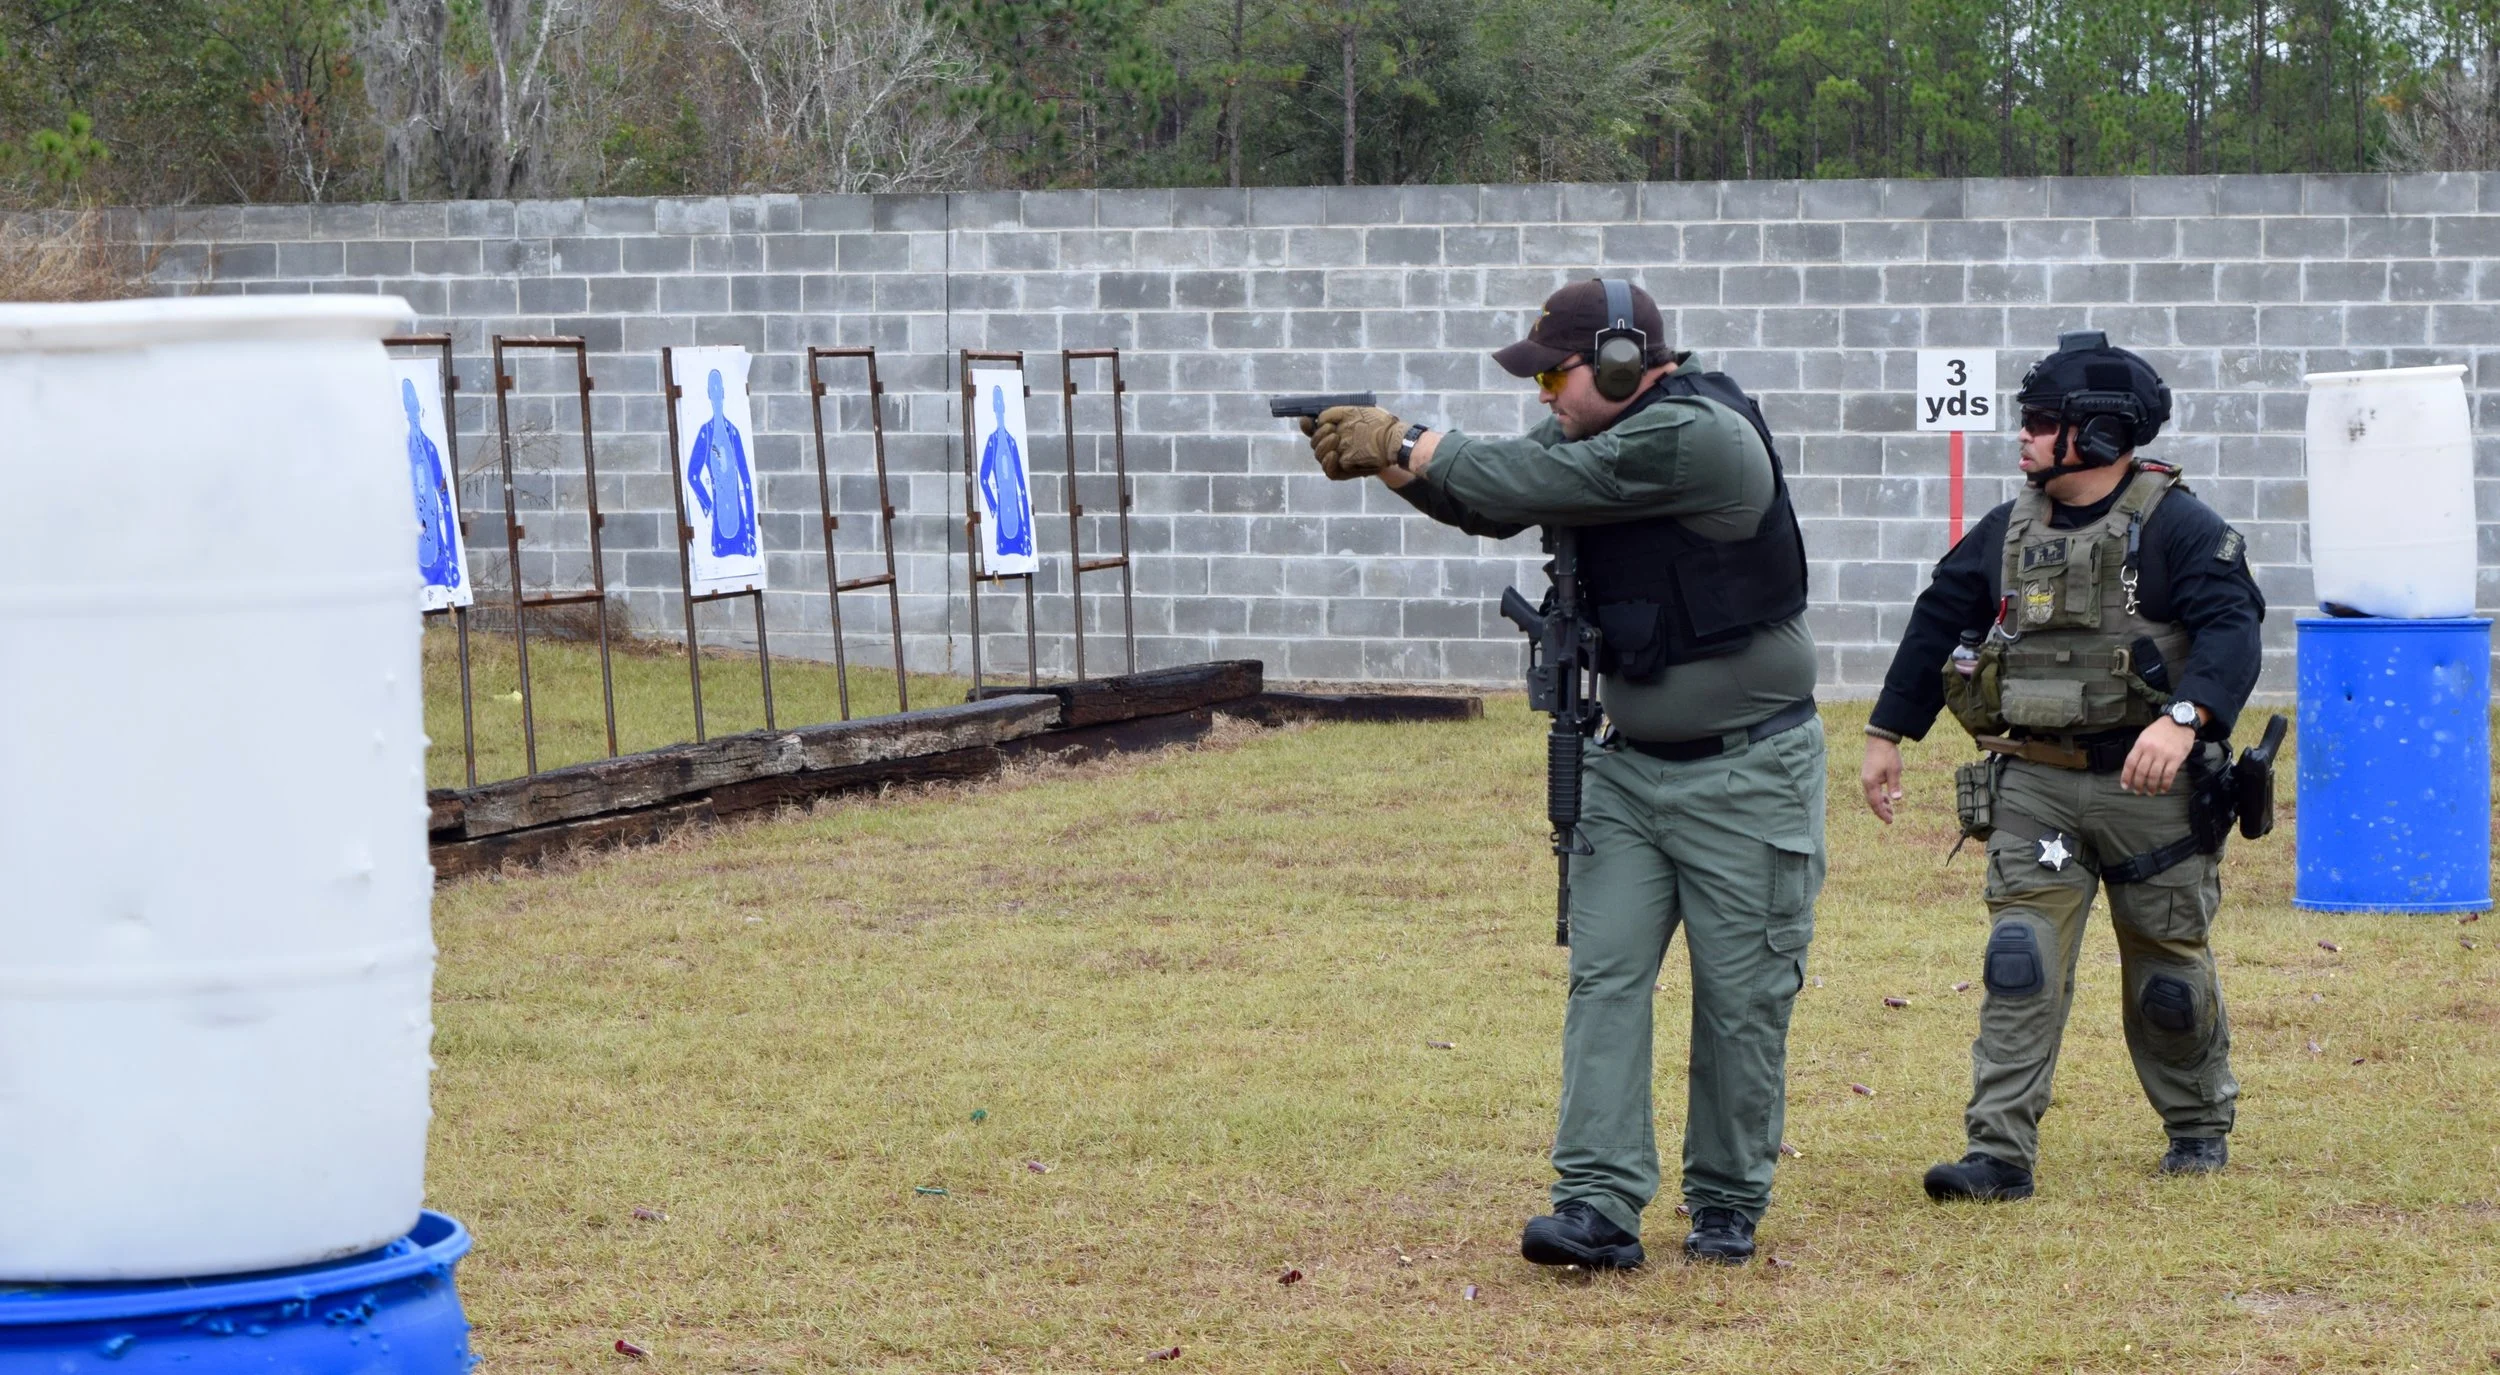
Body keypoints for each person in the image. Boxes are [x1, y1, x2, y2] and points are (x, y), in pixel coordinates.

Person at [1302, 278, 1824, 1267]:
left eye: (1555, 370)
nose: (1543, 392)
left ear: (1625, 362)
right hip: (1627, 769)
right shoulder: (1590, 438)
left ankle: (1724, 1198)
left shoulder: (1697, 435)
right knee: (1605, 978)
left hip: (1746, 773)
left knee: (1742, 996)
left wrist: (1403, 438)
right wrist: (1402, 470)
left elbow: (1518, 477)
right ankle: (1596, 1200)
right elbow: (1497, 495)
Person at [1857, 331, 2265, 1201]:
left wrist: (2187, 720)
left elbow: (2233, 629)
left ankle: (2196, 1125)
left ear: (2102, 436)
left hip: (2151, 789)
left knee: (2166, 968)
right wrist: (1888, 731)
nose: (2025, 436)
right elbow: (1939, 617)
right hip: (2035, 782)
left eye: (2043, 422)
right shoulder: (2009, 528)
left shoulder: (2178, 526)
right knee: (2019, 957)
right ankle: (1998, 1153)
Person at [688, 368, 757, 559]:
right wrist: (708, 505)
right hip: (719, 520)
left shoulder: (733, 432)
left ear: (724, 393)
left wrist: (752, 530)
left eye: (719, 390)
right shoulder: (706, 432)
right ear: (709, 394)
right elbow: (692, 475)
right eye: (714, 390)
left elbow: (747, 480)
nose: (717, 394)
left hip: (739, 520)